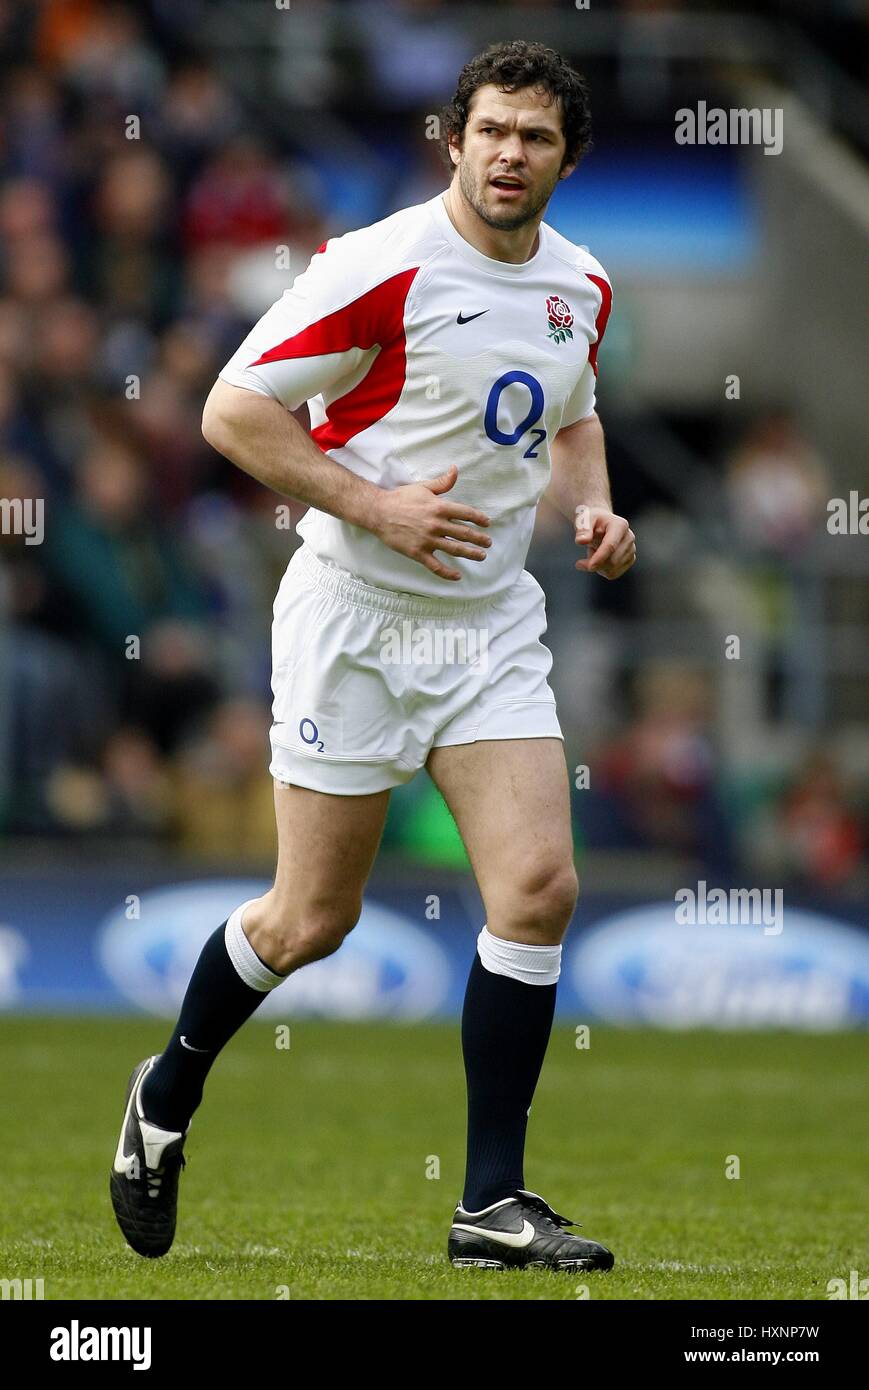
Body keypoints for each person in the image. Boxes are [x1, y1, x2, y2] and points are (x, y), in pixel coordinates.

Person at [110, 39, 636, 1272]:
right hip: (353, 611)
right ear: (451, 139)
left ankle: (488, 1205)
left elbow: (571, 412)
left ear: (567, 156)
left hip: (490, 622)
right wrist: (372, 502)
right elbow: (231, 412)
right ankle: (166, 1092)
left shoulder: (583, 285)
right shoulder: (379, 264)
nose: (510, 154)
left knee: (539, 889)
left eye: (536, 137)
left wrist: (593, 507)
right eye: (491, 130)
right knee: (310, 918)